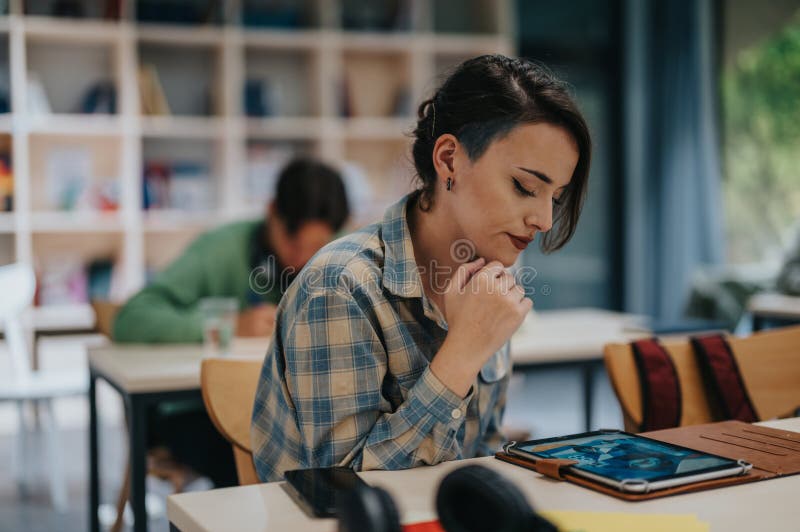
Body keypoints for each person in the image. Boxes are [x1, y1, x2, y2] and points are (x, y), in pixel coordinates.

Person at [251, 54, 592, 482]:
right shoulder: (338, 286)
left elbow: (479, 455)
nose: (543, 220)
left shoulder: (487, 285)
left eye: (555, 198)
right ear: (449, 160)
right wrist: (462, 352)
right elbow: (341, 493)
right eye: (525, 187)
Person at [113, 156, 350, 488]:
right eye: (294, 244)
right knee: (265, 470)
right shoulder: (221, 249)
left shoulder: (344, 254)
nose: (302, 261)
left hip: (290, 409)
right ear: (271, 213)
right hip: (196, 410)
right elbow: (131, 318)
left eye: (316, 248)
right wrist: (228, 325)